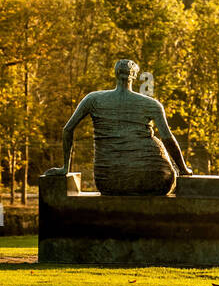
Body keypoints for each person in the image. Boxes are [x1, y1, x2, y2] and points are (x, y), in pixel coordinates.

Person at [46, 59, 193, 195]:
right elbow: (168, 138)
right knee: (162, 156)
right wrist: (183, 169)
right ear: (134, 76)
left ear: (115, 74)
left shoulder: (93, 99)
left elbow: (68, 129)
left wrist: (65, 167)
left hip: (108, 181)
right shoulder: (152, 104)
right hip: (154, 180)